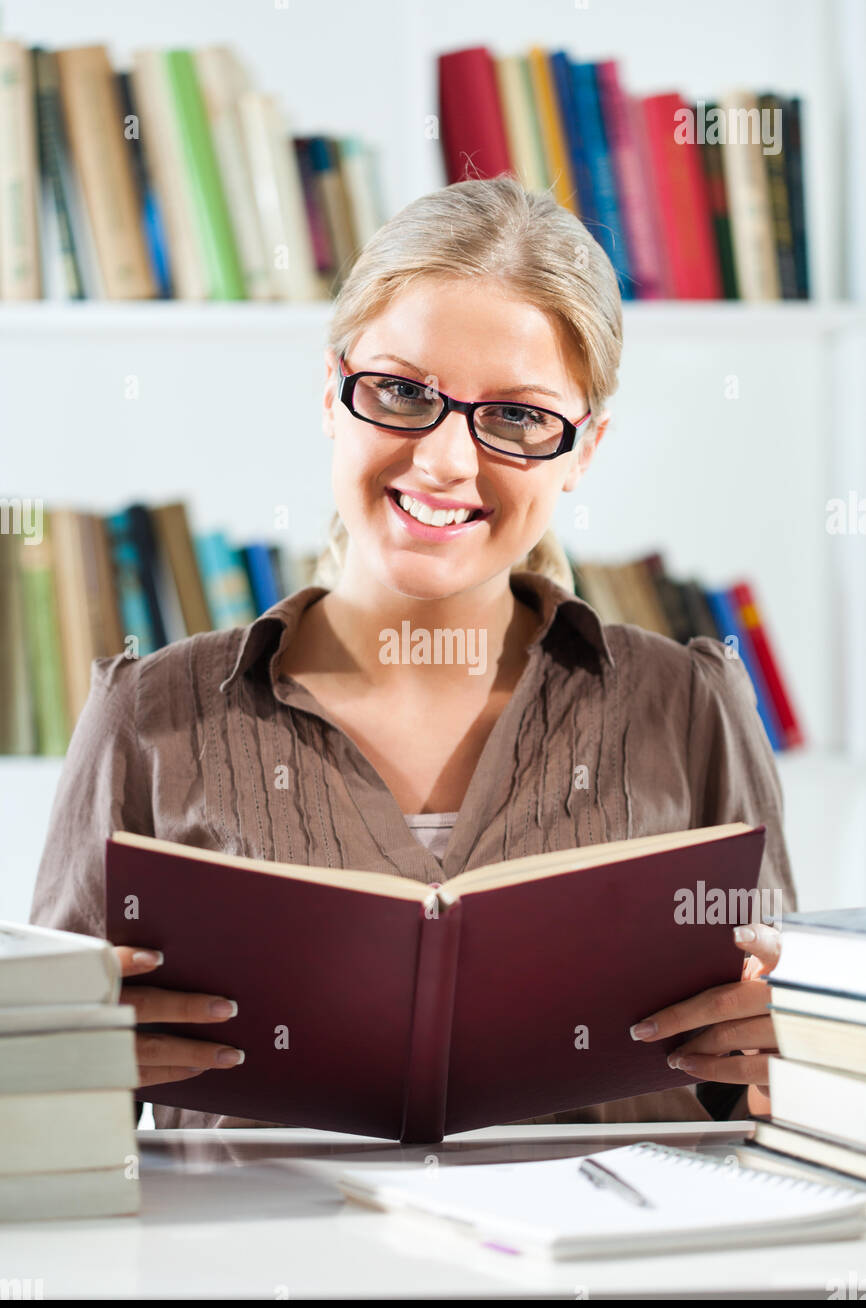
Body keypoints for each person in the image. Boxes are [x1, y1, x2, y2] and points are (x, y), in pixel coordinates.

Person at [30, 175, 795, 1130]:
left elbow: (784, 1089)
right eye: (399, 391)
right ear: (331, 392)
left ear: (585, 448)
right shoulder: (149, 715)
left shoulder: (689, 703)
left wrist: (795, 1062)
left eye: (517, 417)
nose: (444, 463)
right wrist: (61, 1069)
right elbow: (39, 1123)